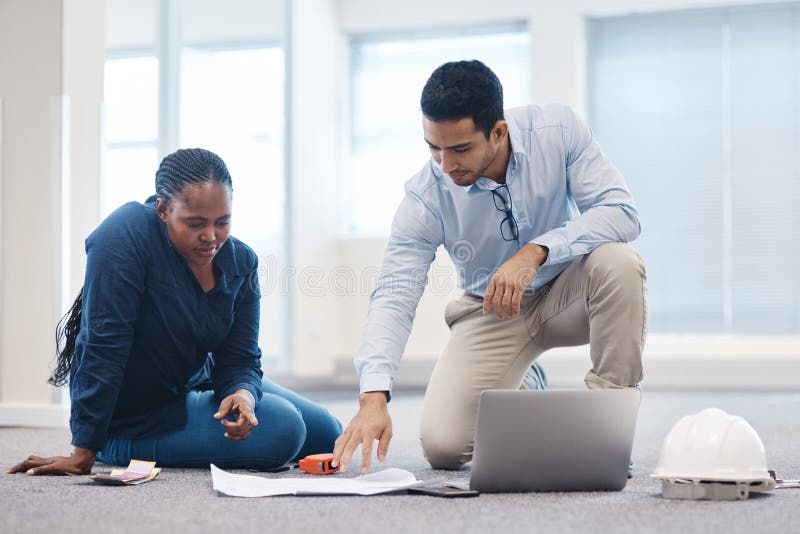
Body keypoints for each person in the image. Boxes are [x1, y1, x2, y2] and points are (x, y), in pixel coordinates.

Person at [332, 60, 646, 473]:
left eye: (460, 149)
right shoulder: (425, 197)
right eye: (433, 147)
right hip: (492, 310)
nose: (445, 165)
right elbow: (394, 293)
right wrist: (373, 395)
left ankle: (604, 431)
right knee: (444, 448)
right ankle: (524, 380)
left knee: (619, 263)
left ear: (498, 132)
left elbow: (622, 213)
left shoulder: (559, 132)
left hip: (570, 294)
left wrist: (537, 251)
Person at [8, 148, 341, 476]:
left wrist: (242, 396)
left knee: (328, 432)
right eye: (195, 223)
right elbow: (102, 345)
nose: (211, 237)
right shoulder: (123, 237)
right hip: (136, 416)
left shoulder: (241, 262)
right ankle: (116, 445)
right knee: (285, 429)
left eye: (222, 222)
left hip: (195, 380)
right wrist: (84, 450)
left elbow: (240, 358)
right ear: (163, 209)